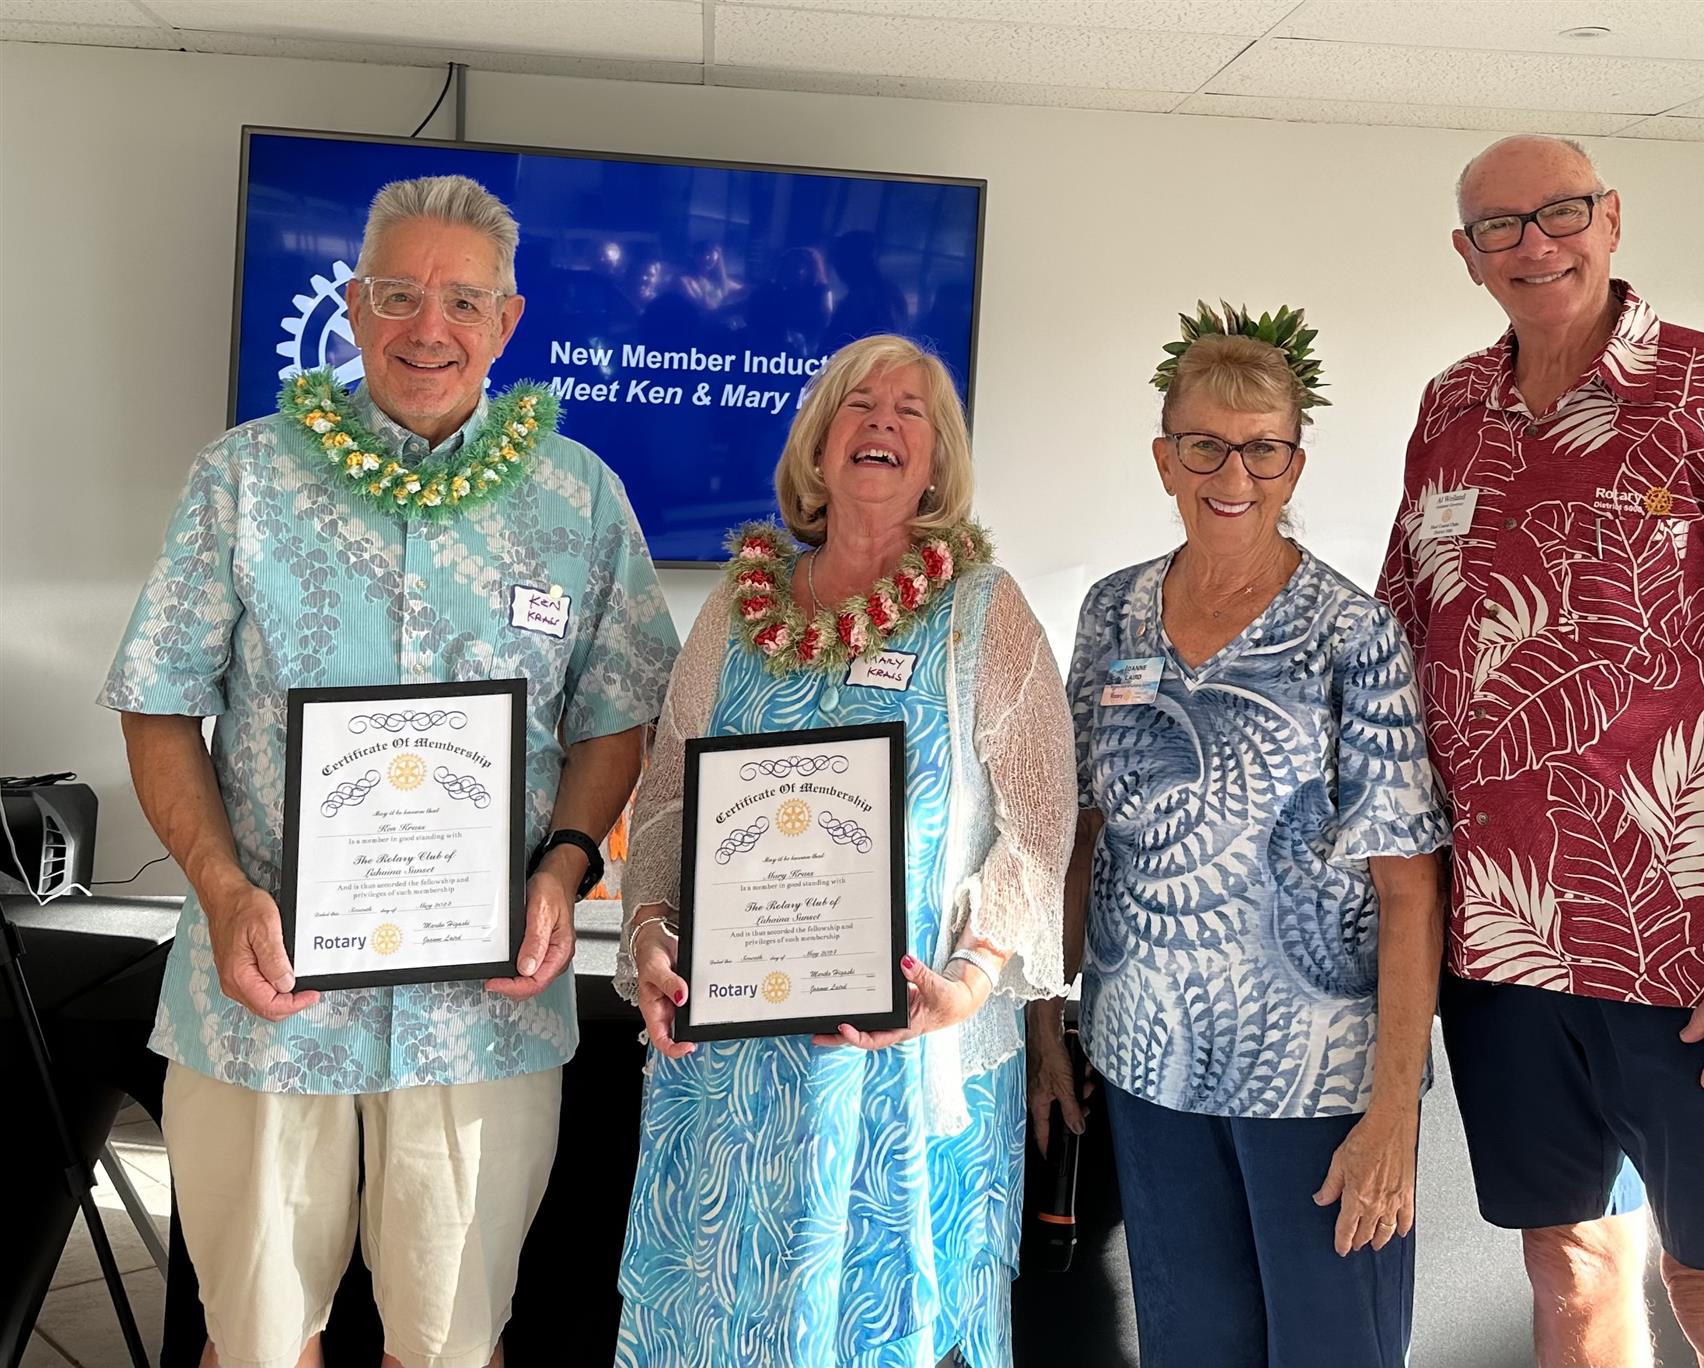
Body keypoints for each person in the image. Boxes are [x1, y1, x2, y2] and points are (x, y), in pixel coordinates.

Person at [101, 174, 677, 1368]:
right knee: (257, 1346)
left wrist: (567, 868)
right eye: (401, 294)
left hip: (480, 1012)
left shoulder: (579, 501)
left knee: (452, 1347)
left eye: (464, 301)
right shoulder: (243, 479)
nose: (431, 327)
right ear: (355, 306)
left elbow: (617, 719)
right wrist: (220, 889)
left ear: (507, 322)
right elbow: (158, 704)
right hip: (265, 997)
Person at [1377, 135, 1704, 1368]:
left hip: (1686, 945)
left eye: (1560, 212)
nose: (1534, 244)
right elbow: (1404, 643)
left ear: (1611, 218)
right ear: (1466, 255)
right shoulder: (1449, 411)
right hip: (1496, 944)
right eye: (1500, 227)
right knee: (1569, 1268)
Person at [613, 334, 1076, 1367]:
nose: (882, 424)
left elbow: (1041, 823)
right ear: (819, 448)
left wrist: (971, 978)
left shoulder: (980, 613)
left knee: (881, 1328)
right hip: (729, 1072)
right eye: (859, 406)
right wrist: (647, 934)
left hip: (898, 1055)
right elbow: (669, 800)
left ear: (938, 461)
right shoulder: (734, 610)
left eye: (911, 412)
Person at [1033, 304, 1450, 1368]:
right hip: (1144, 1066)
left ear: (1294, 464)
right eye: (1206, 446)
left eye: (1263, 449)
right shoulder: (1112, 612)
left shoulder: (1352, 634)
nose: (1235, 474)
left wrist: (1394, 1114)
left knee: (1331, 1353)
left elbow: (1409, 887)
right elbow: (1079, 827)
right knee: (1189, 1350)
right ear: (1164, 460)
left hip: (1318, 1084)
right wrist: (1043, 1014)